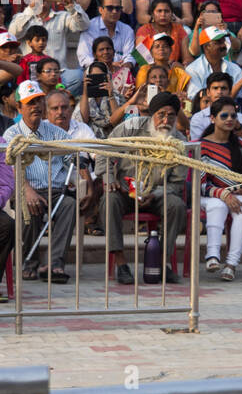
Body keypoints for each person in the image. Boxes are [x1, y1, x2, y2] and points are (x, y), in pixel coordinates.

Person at [97, 91, 188, 285]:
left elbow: (177, 183)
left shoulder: (179, 141)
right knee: (108, 200)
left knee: (176, 205)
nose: (166, 121)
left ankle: (160, 261)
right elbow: (103, 151)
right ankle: (121, 263)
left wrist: (155, 194)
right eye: (161, 115)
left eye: (171, 116)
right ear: (152, 114)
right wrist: (109, 178)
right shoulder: (132, 127)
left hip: (157, 195)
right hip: (125, 192)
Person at [3, 78, 81, 283]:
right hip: (26, 190)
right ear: (19, 107)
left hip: (56, 190)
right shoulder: (12, 134)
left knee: (70, 204)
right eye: (30, 102)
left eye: (38, 101)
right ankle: (29, 264)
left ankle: (54, 264)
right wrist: (27, 190)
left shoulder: (56, 133)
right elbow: (10, 167)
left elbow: (71, 157)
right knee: (29, 207)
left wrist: (83, 173)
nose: (36, 106)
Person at [199, 95, 242, 282]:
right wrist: (222, 194)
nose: (230, 119)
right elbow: (200, 185)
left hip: (236, 194)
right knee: (218, 205)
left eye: (233, 116)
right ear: (213, 118)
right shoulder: (201, 146)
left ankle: (231, 264)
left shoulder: (241, 145)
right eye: (224, 116)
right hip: (208, 196)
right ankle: (212, 256)